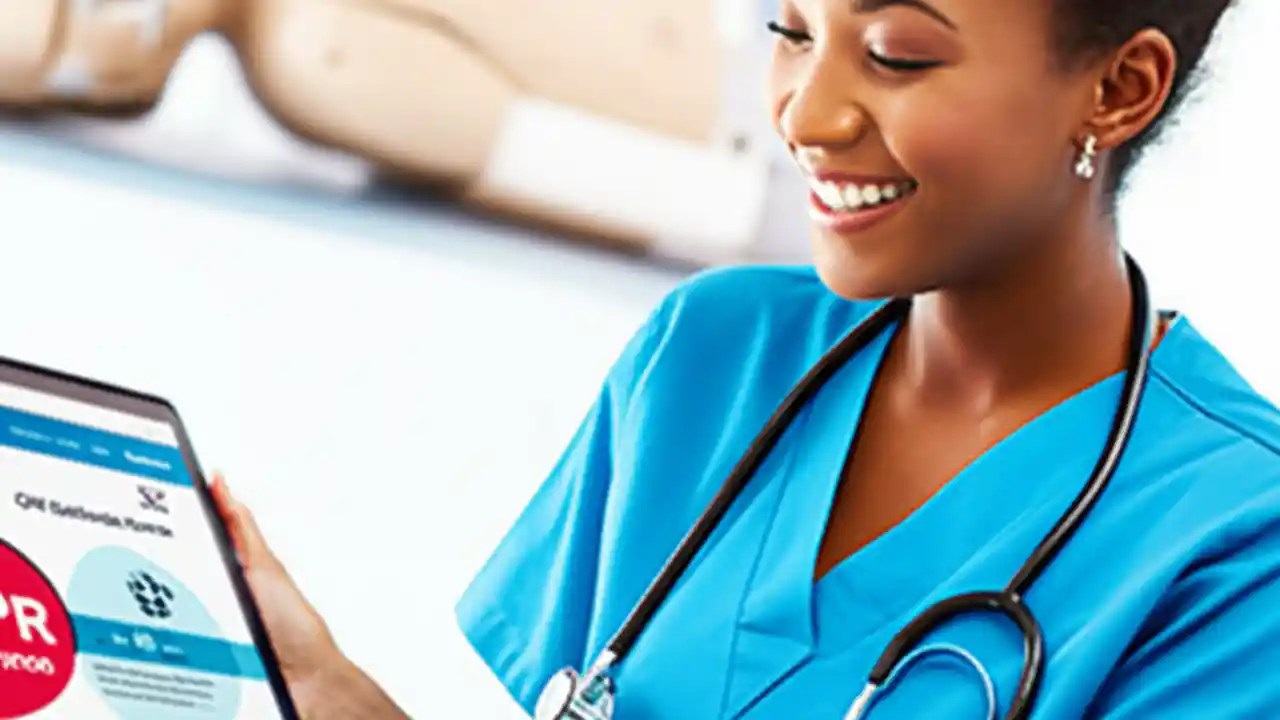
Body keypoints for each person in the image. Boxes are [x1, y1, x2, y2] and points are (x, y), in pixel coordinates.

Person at [211, 0, 1280, 716]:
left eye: (896, 55)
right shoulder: (708, 358)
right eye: (792, 29)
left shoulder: (1238, 544)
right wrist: (324, 686)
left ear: (1119, 88)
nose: (806, 114)